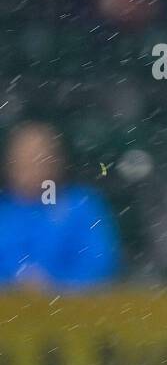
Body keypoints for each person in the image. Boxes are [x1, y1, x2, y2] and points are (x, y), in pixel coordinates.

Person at [0, 122, 120, 289]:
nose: (30, 169)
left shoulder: (81, 206)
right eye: (23, 161)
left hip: (73, 308)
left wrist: (56, 286)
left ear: (55, 162)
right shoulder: (5, 213)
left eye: (38, 160)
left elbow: (101, 263)